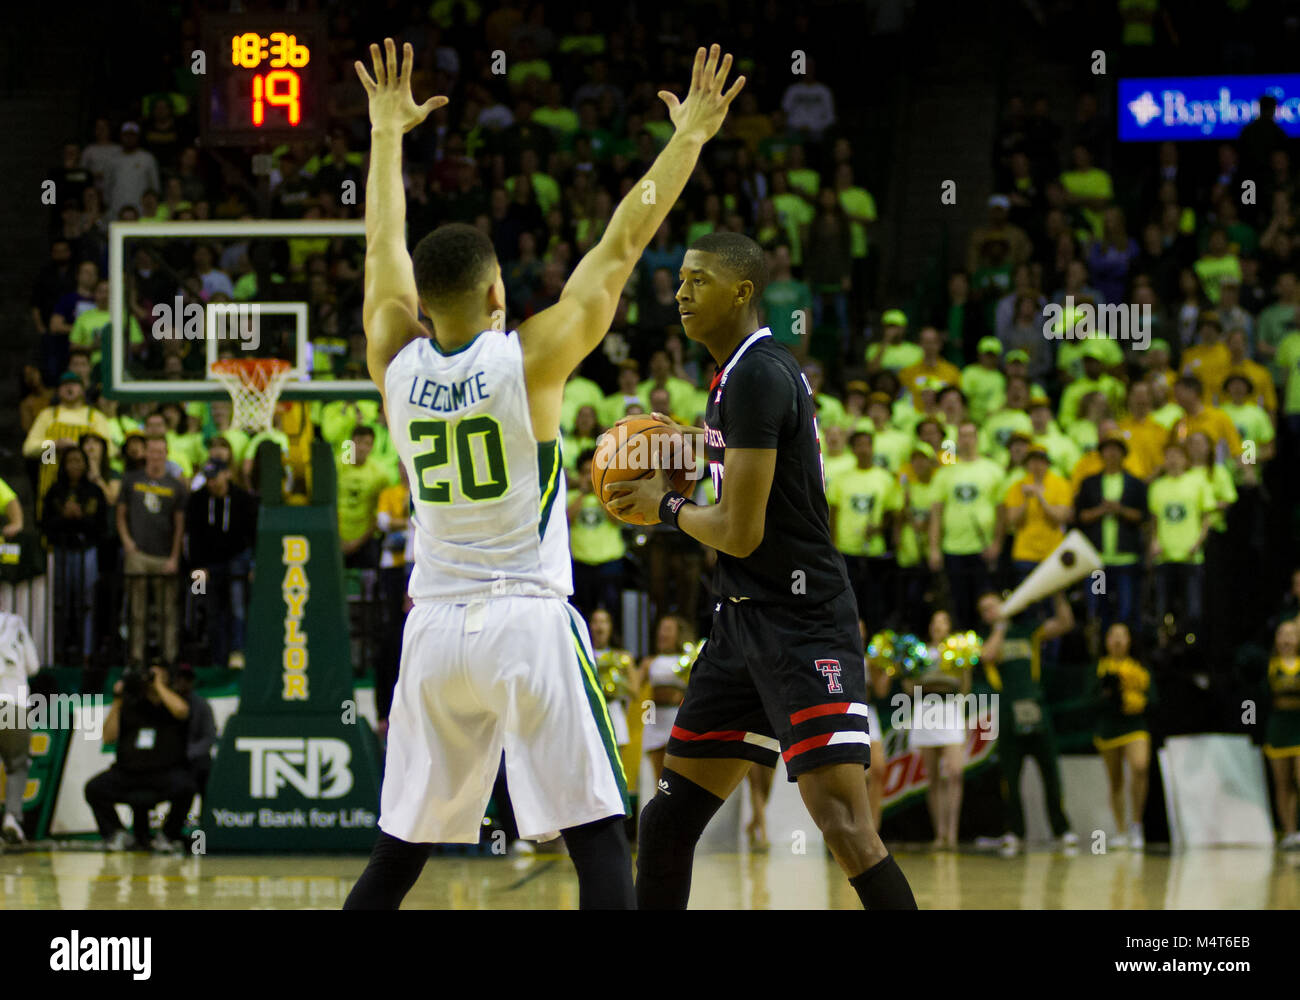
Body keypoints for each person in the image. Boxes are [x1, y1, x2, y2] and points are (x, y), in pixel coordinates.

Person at [344, 38, 744, 911]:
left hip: (433, 631)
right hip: (526, 621)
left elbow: (381, 246)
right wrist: (691, 138)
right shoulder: (531, 360)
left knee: (396, 857)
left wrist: (385, 135)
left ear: (423, 307)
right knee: (599, 839)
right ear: (497, 298)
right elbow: (624, 239)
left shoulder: (393, 360)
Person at [606, 231, 917, 910]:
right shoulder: (734, 376)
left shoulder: (756, 375)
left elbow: (739, 533)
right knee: (666, 820)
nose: (680, 293)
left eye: (698, 281)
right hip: (740, 625)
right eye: (680, 280)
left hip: (803, 625)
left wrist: (664, 505)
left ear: (743, 292)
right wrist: (681, 449)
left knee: (845, 827)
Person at [978, 590, 1078, 855]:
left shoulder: (1027, 632)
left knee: (1051, 775)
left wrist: (1057, 593)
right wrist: (999, 626)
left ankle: (1062, 830)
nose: (990, 612)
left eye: (993, 605)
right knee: (1010, 778)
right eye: (985, 610)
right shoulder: (986, 637)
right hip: (1007, 714)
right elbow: (987, 656)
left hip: (1036, 708)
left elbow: (1065, 623)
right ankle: (1015, 832)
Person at [85, 665, 194, 852]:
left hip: (163, 772)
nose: (149, 679)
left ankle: (168, 835)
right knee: (94, 788)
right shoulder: (131, 705)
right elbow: (108, 736)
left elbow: (182, 711)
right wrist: (118, 700)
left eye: (156, 674)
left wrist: (159, 686)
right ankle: (116, 833)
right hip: (127, 773)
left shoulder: (172, 704)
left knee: (186, 786)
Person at [118, 436, 187, 667]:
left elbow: (180, 525)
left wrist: (175, 557)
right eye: (153, 451)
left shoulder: (175, 486)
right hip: (138, 553)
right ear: (145, 453)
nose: (156, 456)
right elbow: (120, 515)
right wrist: (127, 542)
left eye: (161, 452)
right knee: (137, 611)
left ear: (166, 455)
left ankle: (169, 658)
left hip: (165, 555)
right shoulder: (130, 480)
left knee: (168, 611)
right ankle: (136, 657)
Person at [185, 459, 257, 670]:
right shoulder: (198, 500)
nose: (212, 483)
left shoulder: (242, 499)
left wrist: (253, 564)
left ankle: (237, 652)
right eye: (208, 479)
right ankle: (217, 657)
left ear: (226, 474)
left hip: (237, 560)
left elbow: (251, 534)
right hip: (207, 564)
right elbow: (193, 536)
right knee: (211, 610)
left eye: (215, 478)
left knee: (237, 606)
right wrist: (198, 566)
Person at [40, 445, 108, 667]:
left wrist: (80, 518)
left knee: (86, 603)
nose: (75, 465)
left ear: (86, 464)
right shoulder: (55, 490)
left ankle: (86, 653)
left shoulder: (94, 491)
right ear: (63, 465)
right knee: (60, 603)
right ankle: (57, 652)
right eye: (70, 461)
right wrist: (63, 516)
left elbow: (101, 528)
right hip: (61, 551)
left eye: (79, 461)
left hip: (86, 551)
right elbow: (45, 525)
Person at [910, 609, 970, 850]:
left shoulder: (957, 651)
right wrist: (909, 669)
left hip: (950, 708)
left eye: (943, 621)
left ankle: (953, 834)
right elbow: (909, 687)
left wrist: (962, 711)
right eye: (935, 621)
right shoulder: (919, 653)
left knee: (955, 772)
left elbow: (965, 685)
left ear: (949, 627)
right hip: (925, 708)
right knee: (933, 776)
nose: (938, 625)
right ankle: (940, 834)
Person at [1093, 623, 1152, 850]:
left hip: (1134, 724)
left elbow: (1152, 697)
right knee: (1115, 779)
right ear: (1106, 641)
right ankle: (1120, 830)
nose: (1117, 640)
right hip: (1108, 728)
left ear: (1129, 640)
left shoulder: (1140, 667)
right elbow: (1090, 698)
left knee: (1139, 767)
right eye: (1112, 635)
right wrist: (1107, 697)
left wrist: (1135, 701)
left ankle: (1136, 823)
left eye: (1122, 636)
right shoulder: (1098, 668)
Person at [0, 612, 40, 844]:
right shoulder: (15, 623)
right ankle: (11, 818)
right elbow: (33, 666)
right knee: (17, 765)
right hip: (13, 702)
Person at [639, 615, 693, 785]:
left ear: (678, 634)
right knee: (658, 776)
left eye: (668, 629)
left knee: (676, 775)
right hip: (655, 718)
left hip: (677, 718)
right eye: (661, 629)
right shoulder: (650, 662)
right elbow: (633, 689)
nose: (663, 633)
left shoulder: (688, 660)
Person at [1264, 619, 1300, 850]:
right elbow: (1252, 700)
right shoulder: (1269, 666)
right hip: (1278, 728)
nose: (1286, 639)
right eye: (1282, 634)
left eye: (1291, 634)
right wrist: (1250, 722)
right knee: (1282, 783)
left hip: (1299, 726)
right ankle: (1289, 832)